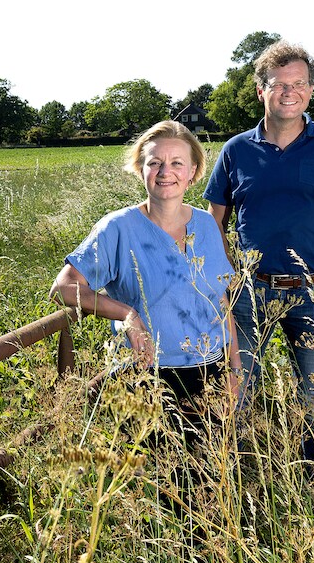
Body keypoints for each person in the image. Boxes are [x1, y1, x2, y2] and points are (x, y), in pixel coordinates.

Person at [202, 40, 314, 477]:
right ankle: (229, 484)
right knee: (237, 393)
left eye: (299, 84)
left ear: (311, 90)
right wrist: (230, 279)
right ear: (262, 90)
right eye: (279, 84)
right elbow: (211, 221)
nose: (289, 92)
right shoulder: (236, 149)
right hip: (249, 294)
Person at [50, 120, 242, 434]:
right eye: (155, 163)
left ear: (193, 171)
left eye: (177, 163)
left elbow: (222, 301)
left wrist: (234, 371)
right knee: (154, 476)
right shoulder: (118, 228)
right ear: (141, 170)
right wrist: (126, 313)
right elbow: (63, 288)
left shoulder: (207, 225)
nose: (166, 172)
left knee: (208, 476)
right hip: (146, 375)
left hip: (211, 374)